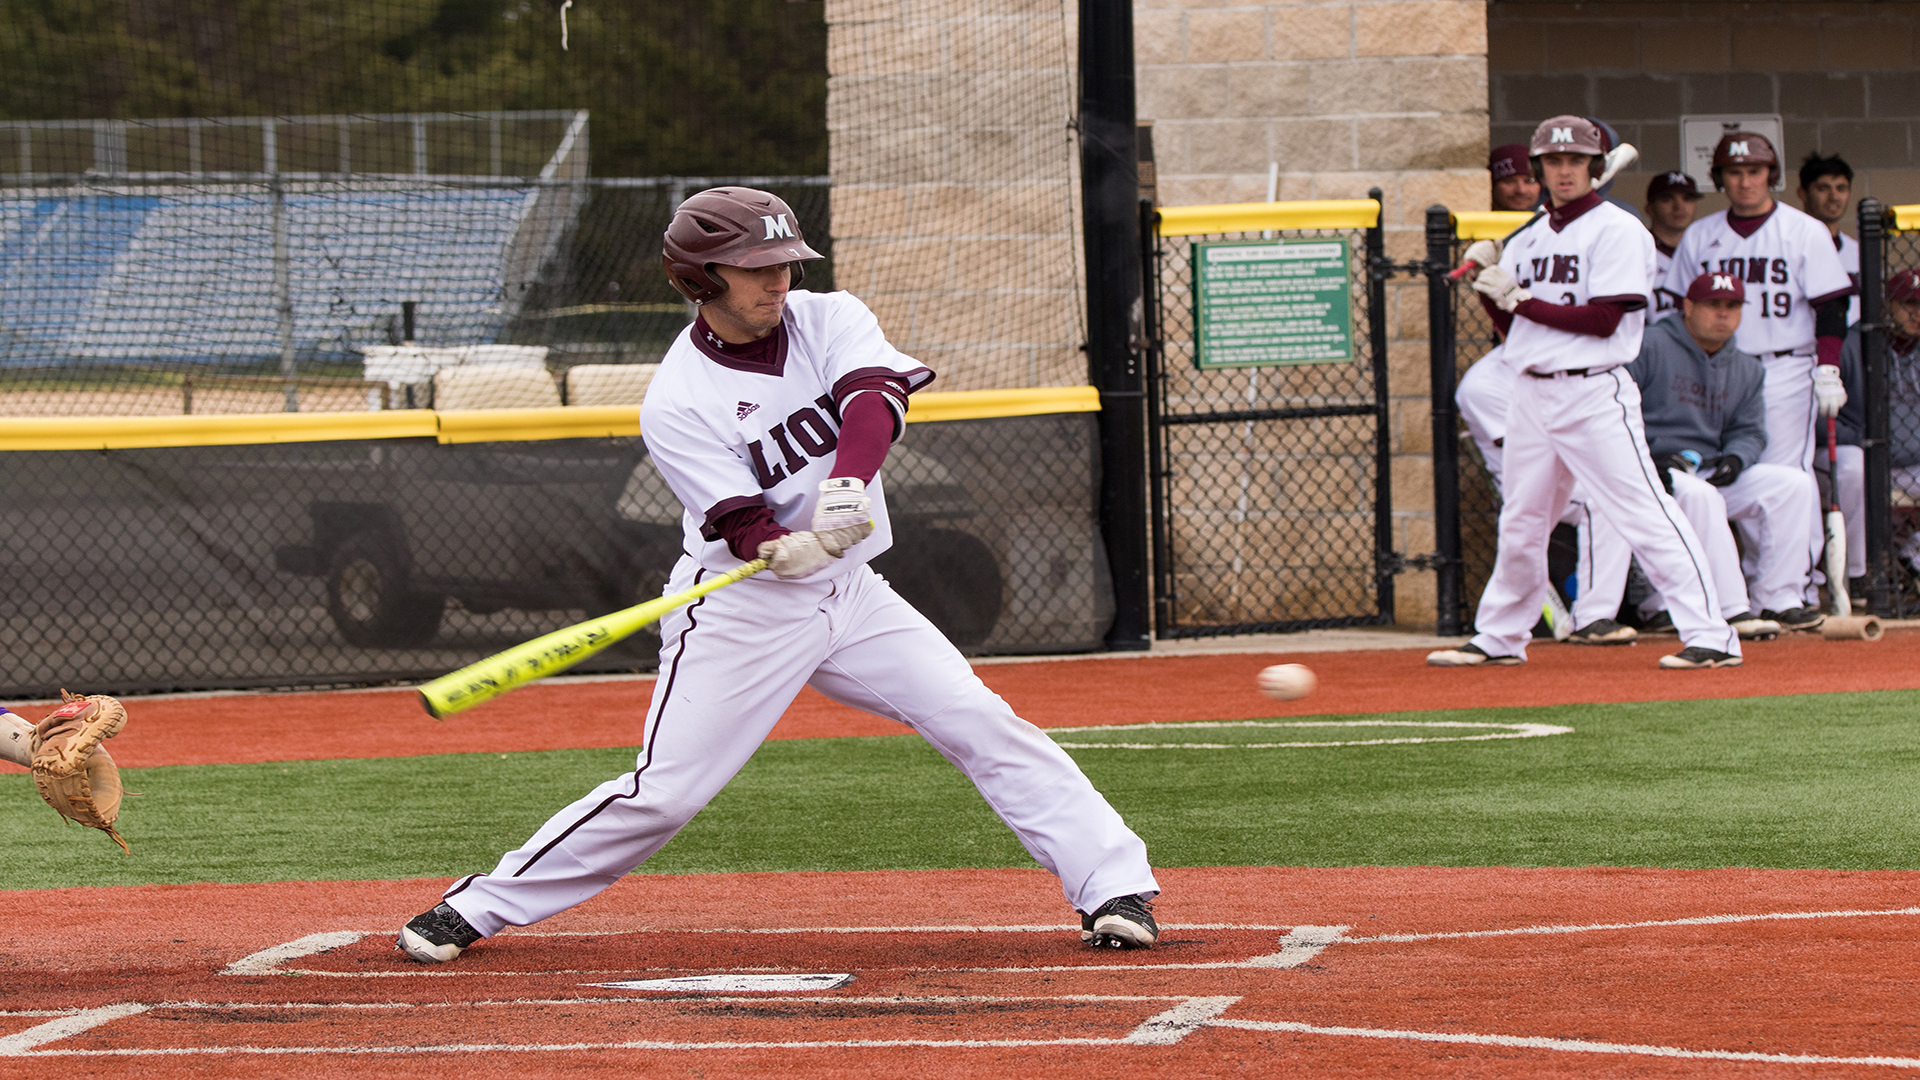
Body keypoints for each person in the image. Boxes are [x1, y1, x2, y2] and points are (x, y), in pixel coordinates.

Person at [397, 187, 1164, 964]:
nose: (779, 282)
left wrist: (844, 491)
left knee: (982, 722)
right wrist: (777, 543)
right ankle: (481, 904)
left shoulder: (828, 318)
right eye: (756, 268)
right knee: (667, 793)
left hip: (854, 596)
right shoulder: (677, 399)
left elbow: (875, 397)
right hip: (745, 611)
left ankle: (1112, 888)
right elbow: (740, 522)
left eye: (785, 263)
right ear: (699, 279)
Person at [1428, 116, 1740, 670]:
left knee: (1645, 513)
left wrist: (1518, 297)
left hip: (1594, 393)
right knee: (1522, 519)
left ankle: (1712, 635)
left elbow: (1603, 319)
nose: (1563, 170)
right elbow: (1514, 330)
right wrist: (1489, 286)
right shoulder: (1530, 234)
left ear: (1597, 167)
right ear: (1540, 169)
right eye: (1553, 161)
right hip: (1531, 391)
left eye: (1575, 161)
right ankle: (1501, 635)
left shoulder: (1619, 229)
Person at [1661, 131, 1852, 626]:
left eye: (1755, 171)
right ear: (1720, 178)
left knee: (1783, 475)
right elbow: (1676, 308)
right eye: (1734, 172)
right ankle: (1746, 590)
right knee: (1726, 470)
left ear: (1773, 175)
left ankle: (1787, 590)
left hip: (1786, 364)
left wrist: (1828, 364)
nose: (1745, 181)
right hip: (1713, 366)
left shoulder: (1804, 229)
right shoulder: (1701, 235)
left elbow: (1832, 306)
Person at [1621, 272, 1813, 637]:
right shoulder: (1648, 345)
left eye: (1732, 306)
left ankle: (1778, 598)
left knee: (1793, 484)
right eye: (1713, 305)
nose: (1722, 314)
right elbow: (1617, 409)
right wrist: (1650, 455)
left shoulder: (1747, 368)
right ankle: (1728, 609)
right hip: (1652, 470)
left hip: (1707, 469)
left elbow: (1750, 431)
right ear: (1688, 306)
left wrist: (1737, 458)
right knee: (1700, 495)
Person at [1822, 268, 1920, 589]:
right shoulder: (1853, 344)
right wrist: (1867, 442)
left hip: (1914, 464)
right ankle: (1860, 574)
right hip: (1866, 457)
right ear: (1886, 304)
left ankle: (1913, 553)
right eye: (1908, 303)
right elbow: (1824, 422)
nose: (1917, 313)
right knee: (1854, 469)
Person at [1797, 153, 1860, 325]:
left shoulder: (1860, 253)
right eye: (1823, 188)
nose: (1833, 197)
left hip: (1856, 347)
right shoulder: (1788, 248)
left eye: (1841, 188)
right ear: (1802, 193)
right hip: (1807, 345)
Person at [1644, 172, 1701, 320]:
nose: (1679, 206)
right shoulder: (1637, 251)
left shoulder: (1706, 250)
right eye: (1667, 198)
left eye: (1687, 198)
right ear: (1649, 208)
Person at [1490, 144, 1542, 212]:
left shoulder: (1550, 221)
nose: (1521, 190)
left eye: (1529, 181)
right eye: (1509, 181)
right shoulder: (1477, 221)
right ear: (1492, 186)